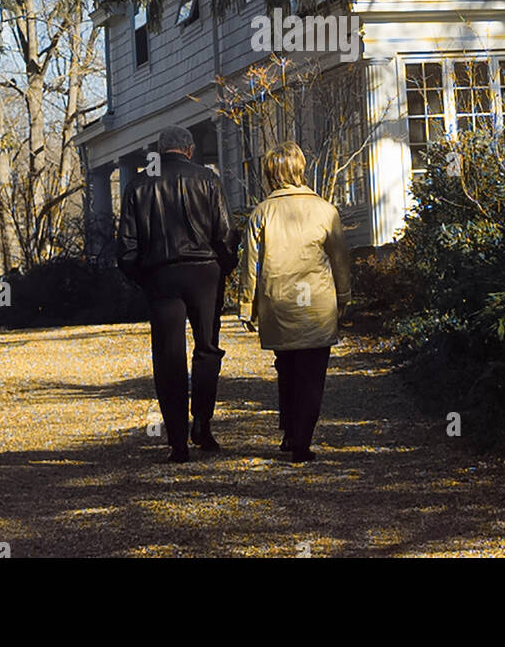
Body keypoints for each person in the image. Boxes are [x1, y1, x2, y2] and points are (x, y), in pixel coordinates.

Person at [117, 125, 237, 463]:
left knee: (168, 358)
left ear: (160, 149)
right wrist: (225, 267)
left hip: (162, 275)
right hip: (204, 273)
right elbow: (225, 233)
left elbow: (126, 247)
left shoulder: (138, 185)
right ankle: (202, 422)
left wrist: (146, 278)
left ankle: (177, 442)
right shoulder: (208, 179)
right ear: (189, 149)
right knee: (208, 349)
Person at [238, 141, 351, 463]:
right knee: (313, 373)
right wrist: (344, 296)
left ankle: (289, 431)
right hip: (315, 302)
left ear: (271, 173)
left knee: (286, 367)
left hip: (279, 302)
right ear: (300, 169)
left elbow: (251, 265)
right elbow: (340, 259)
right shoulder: (325, 210)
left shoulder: (261, 212)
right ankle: (302, 438)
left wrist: (247, 305)